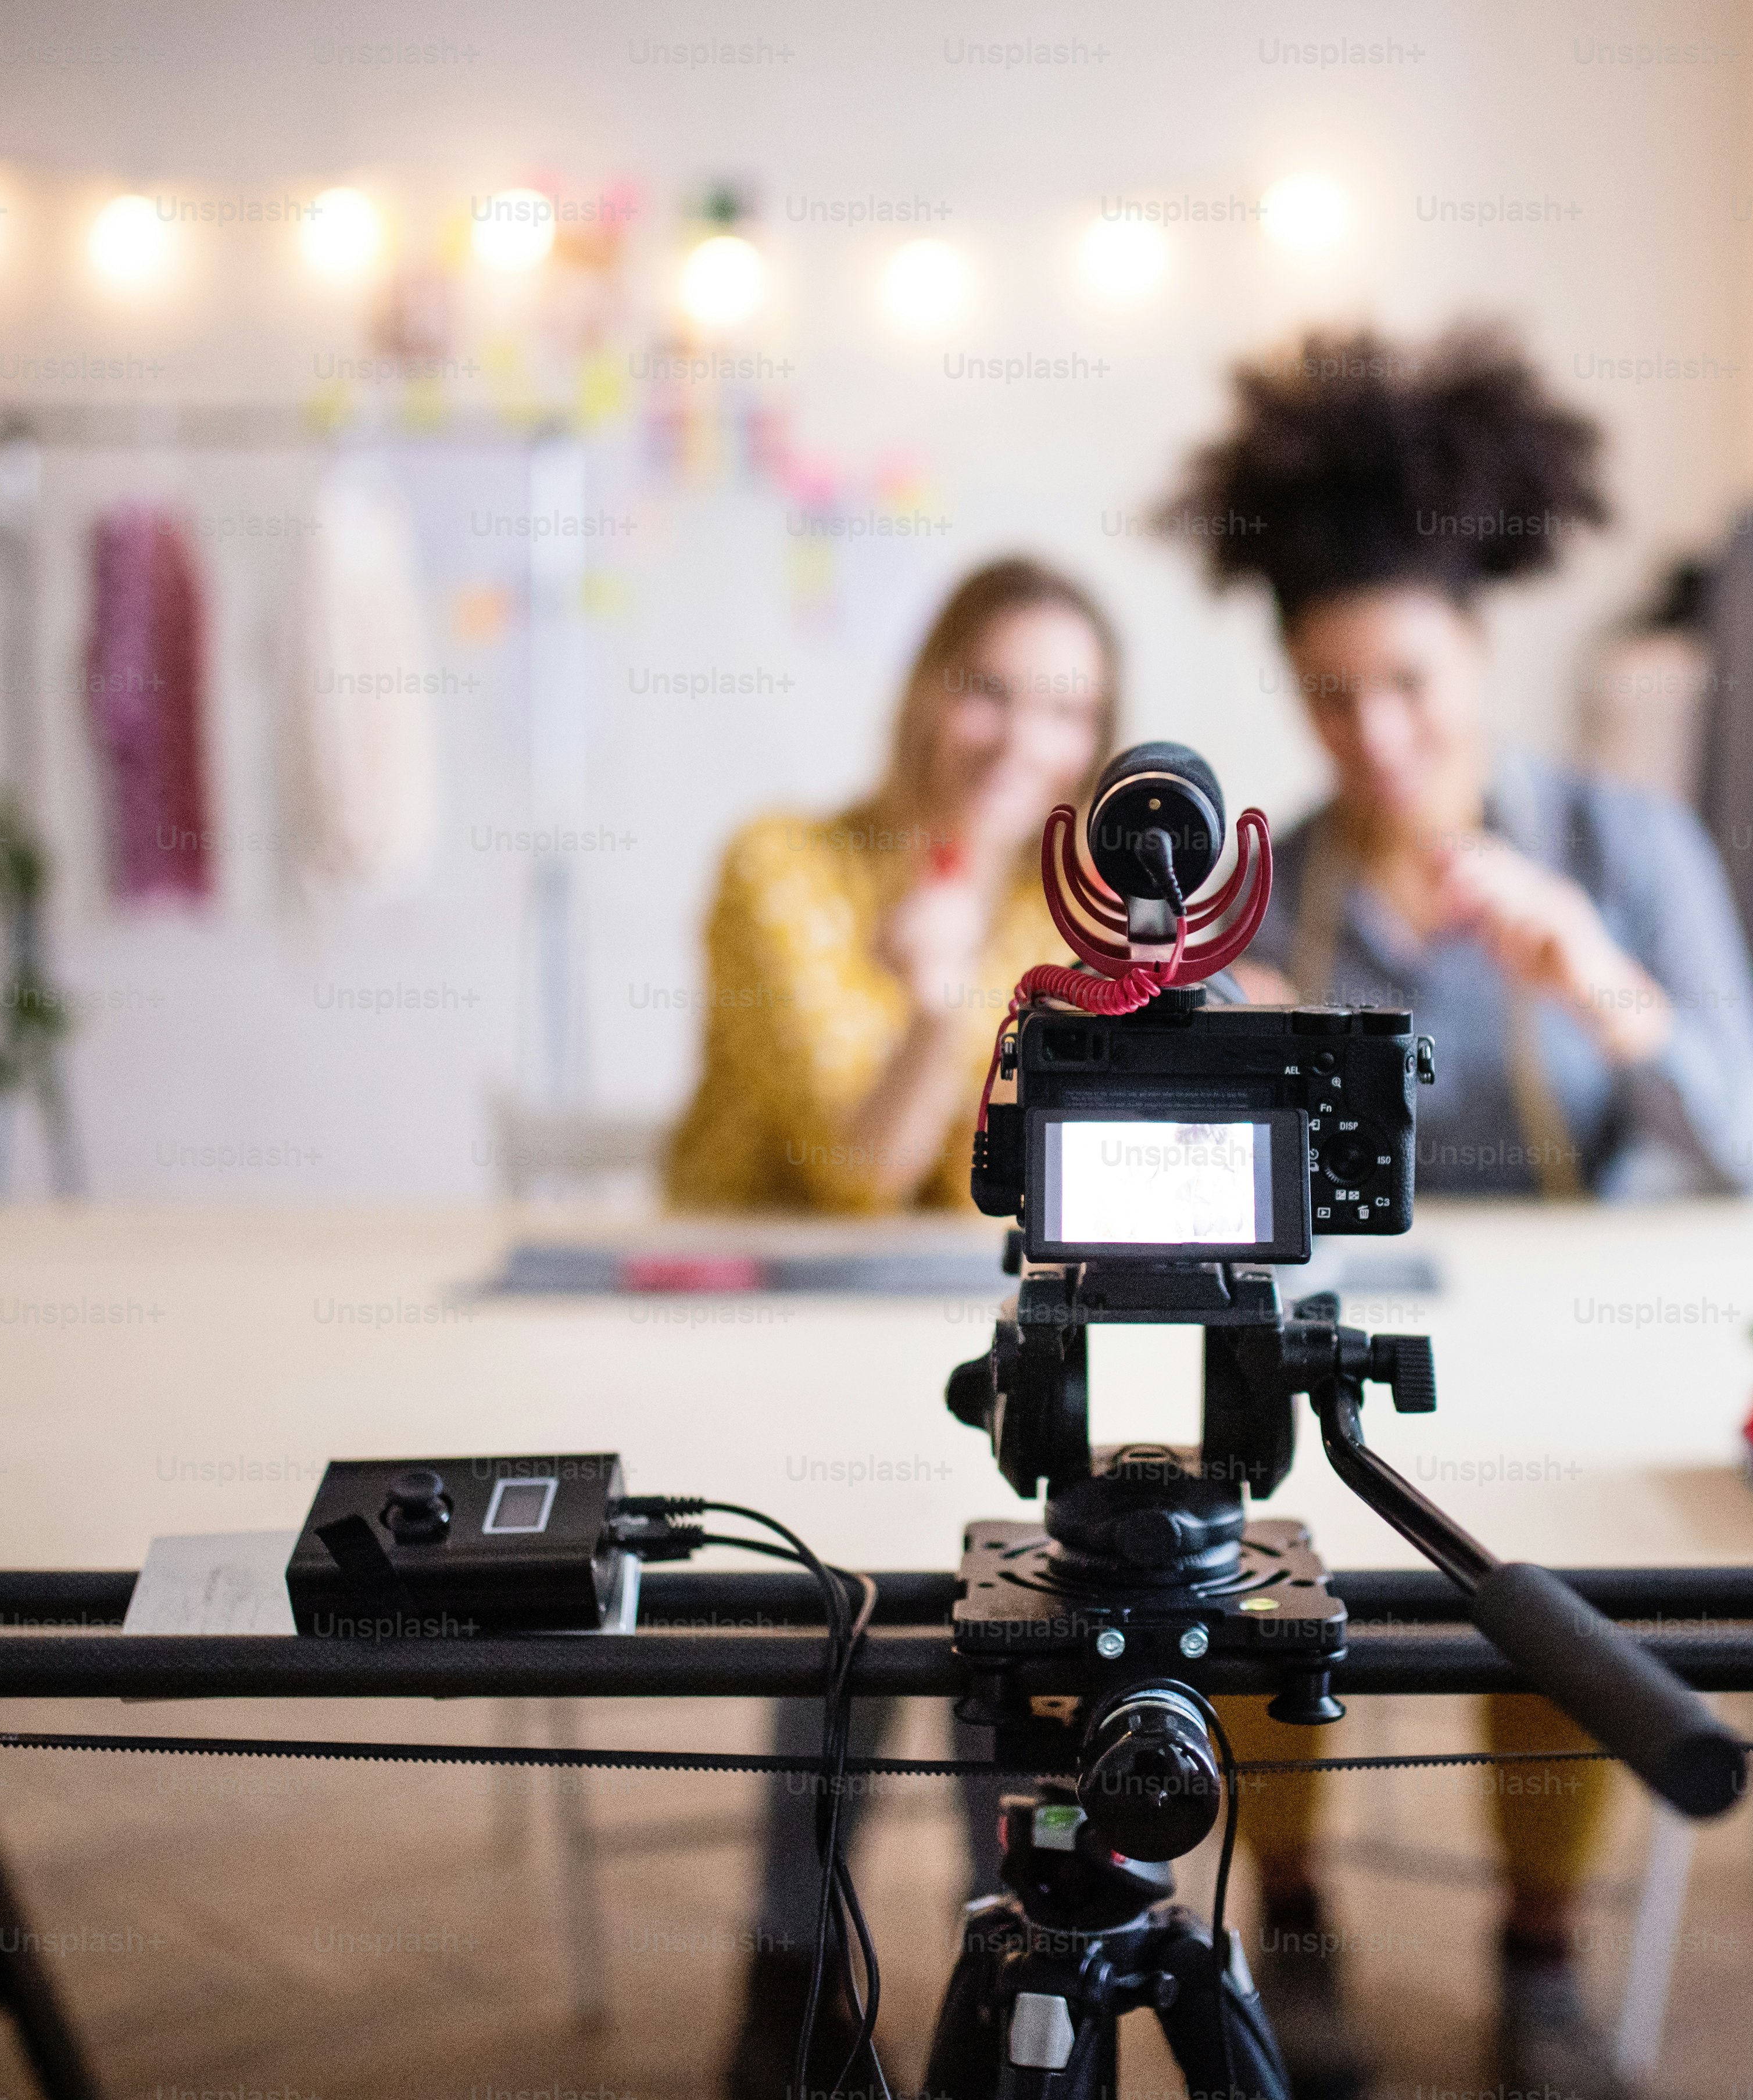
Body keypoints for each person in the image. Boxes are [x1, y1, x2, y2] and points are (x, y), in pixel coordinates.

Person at [1160, 322, 1753, 2100]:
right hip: (1333, 1367)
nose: (1375, 735)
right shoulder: (1262, 888)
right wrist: (1227, 1062)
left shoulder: (1621, 848)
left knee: (1561, 1572)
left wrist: (1602, 981)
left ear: (1483, 651)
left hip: (1567, 1366)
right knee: (1239, 1563)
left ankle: (1539, 1949)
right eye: (1330, 697)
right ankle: (1294, 1922)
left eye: (1411, 683)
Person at [666, 556, 1117, 2100]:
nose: (1018, 739)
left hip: (952, 1355)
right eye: (988, 686)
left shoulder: (1064, 919)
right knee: (844, 1598)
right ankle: (795, 1982)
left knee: (1015, 1598)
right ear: (924, 686)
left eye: (1066, 709)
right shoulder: (782, 865)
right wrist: (939, 1008)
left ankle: (1005, 1958)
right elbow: (857, 1173)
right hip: (755, 1347)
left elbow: (1020, 1194)